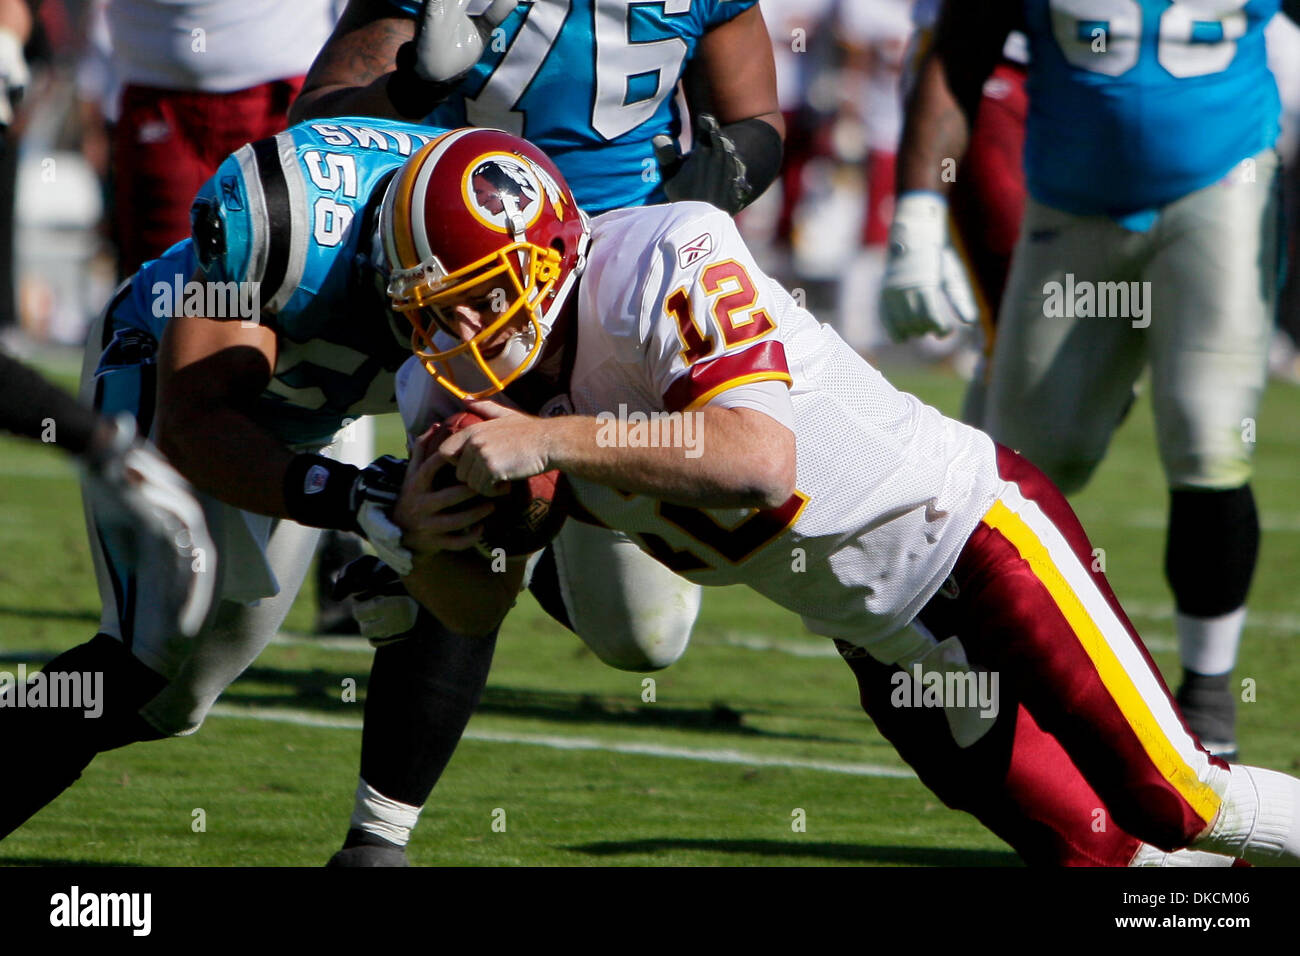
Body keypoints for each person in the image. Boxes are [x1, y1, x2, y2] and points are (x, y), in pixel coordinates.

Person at [383, 126, 1300, 866]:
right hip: (883, 641)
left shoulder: (659, 255)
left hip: (973, 539)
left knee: (1178, 800)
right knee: (1102, 859)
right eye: (425, 313)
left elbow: (757, 461)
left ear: (544, 255)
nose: (451, 333)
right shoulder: (449, 397)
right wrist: (414, 543)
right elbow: (476, 606)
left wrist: (547, 438)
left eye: (473, 297)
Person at [289, 0, 787, 864]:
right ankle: (377, 837)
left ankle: (542, 544)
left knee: (644, 638)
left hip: (610, 295)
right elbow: (314, 131)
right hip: (460, 288)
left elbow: (757, 118)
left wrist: (726, 173)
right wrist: (411, 83)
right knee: (465, 516)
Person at [877, 0, 1300, 761]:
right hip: (1069, 209)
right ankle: (980, 655)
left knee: (1209, 437)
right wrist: (915, 212)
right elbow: (960, 53)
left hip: (1223, 183)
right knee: (1028, 464)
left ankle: (1208, 693)